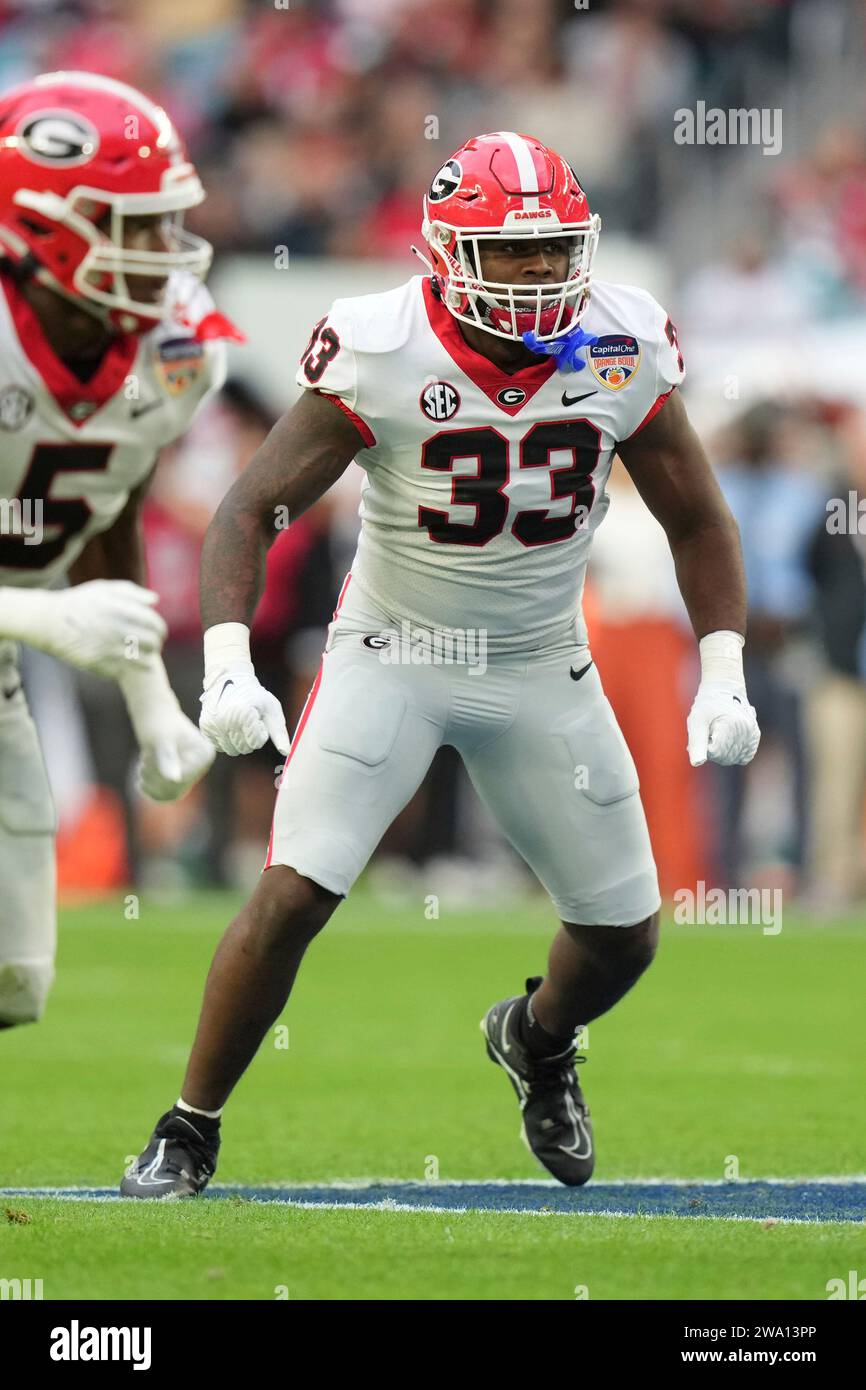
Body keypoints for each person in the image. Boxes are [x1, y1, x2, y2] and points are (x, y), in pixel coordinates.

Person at [121, 132, 760, 1196]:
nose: (538, 276)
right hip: (392, 652)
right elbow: (248, 509)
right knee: (292, 894)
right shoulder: (380, 345)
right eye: (510, 256)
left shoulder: (619, 341)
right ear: (445, 253)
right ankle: (188, 1127)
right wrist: (227, 662)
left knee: (623, 936)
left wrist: (723, 666)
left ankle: (537, 1038)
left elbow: (696, 517)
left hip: (537, 660)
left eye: (555, 250)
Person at [0, 71, 240, 1027]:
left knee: (17, 978)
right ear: (42, 222)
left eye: (163, 222)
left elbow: (108, 501)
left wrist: (152, 704)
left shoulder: (172, 350)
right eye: (130, 224)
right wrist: (48, 616)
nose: (160, 251)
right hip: (23, 626)